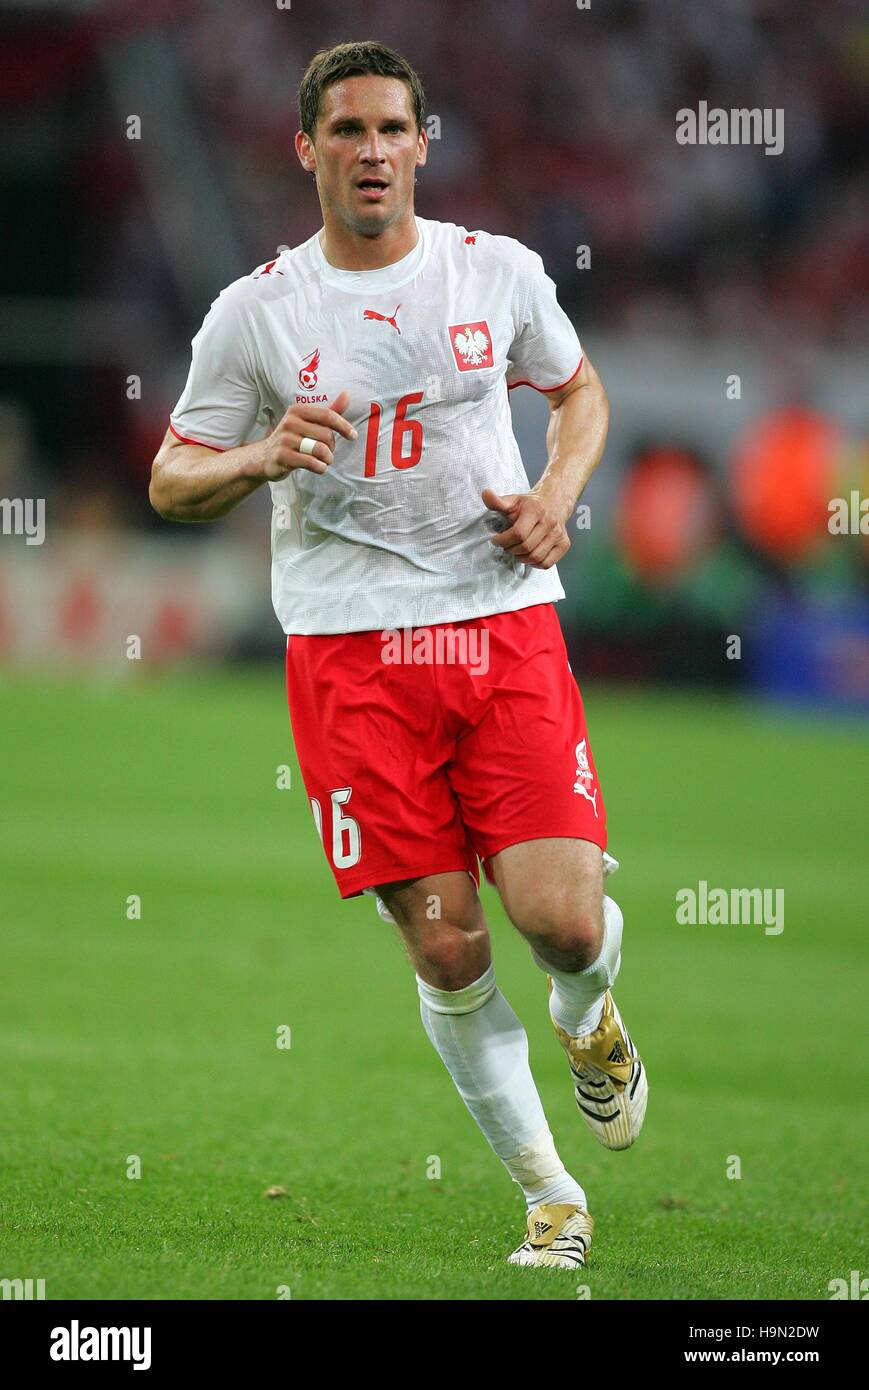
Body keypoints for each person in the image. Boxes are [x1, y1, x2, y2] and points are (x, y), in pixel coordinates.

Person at [149, 39, 647, 1270]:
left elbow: (578, 394)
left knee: (565, 926)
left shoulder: (495, 273)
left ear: (423, 146)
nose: (370, 150)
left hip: (499, 621)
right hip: (351, 659)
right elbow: (169, 476)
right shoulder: (255, 312)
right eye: (346, 131)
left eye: (390, 130)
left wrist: (556, 493)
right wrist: (258, 456)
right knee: (446, 942)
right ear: (306, 149)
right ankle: (549, 1195)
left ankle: (588, 1021)